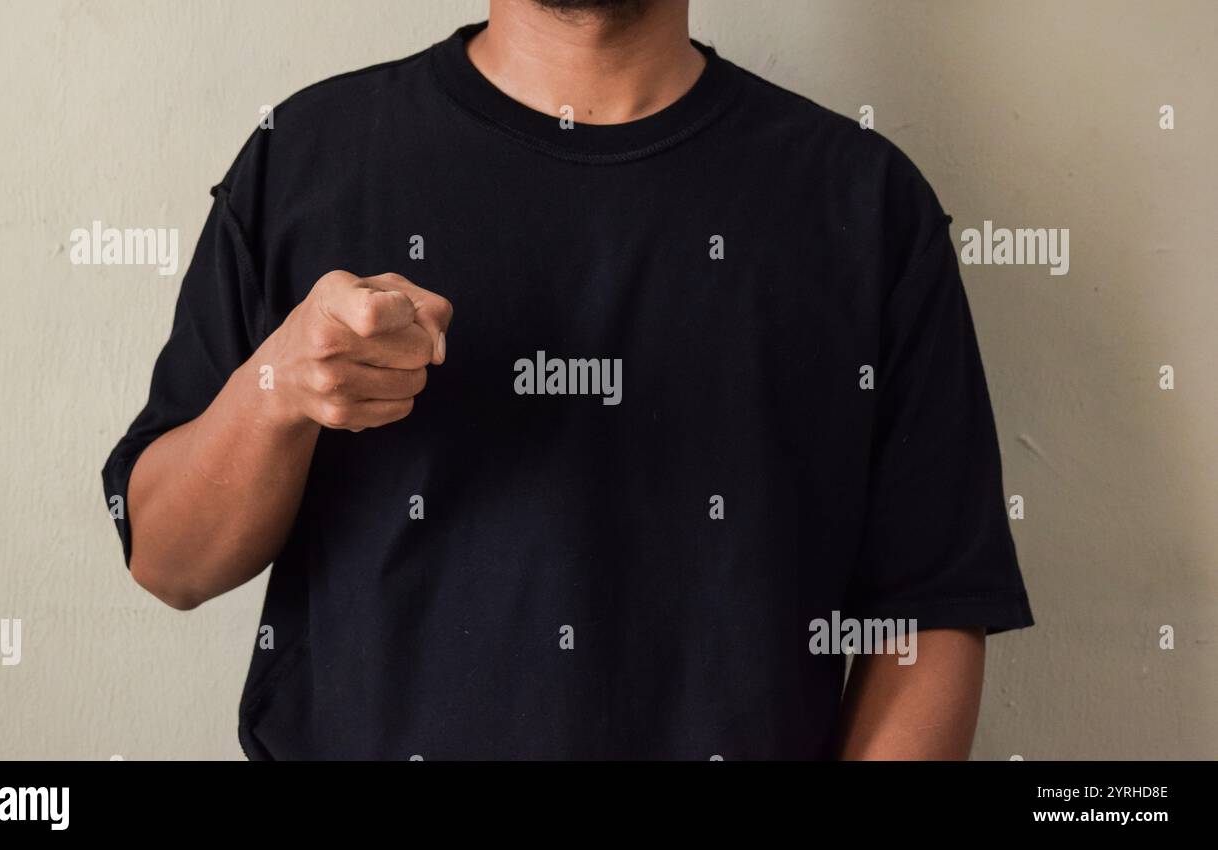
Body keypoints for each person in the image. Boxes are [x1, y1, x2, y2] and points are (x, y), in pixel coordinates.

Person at [102, 0, 1034, 760]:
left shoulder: (862, 206)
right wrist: (278, 388)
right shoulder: (307, 157)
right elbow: (170, 562)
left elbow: (929, 611)